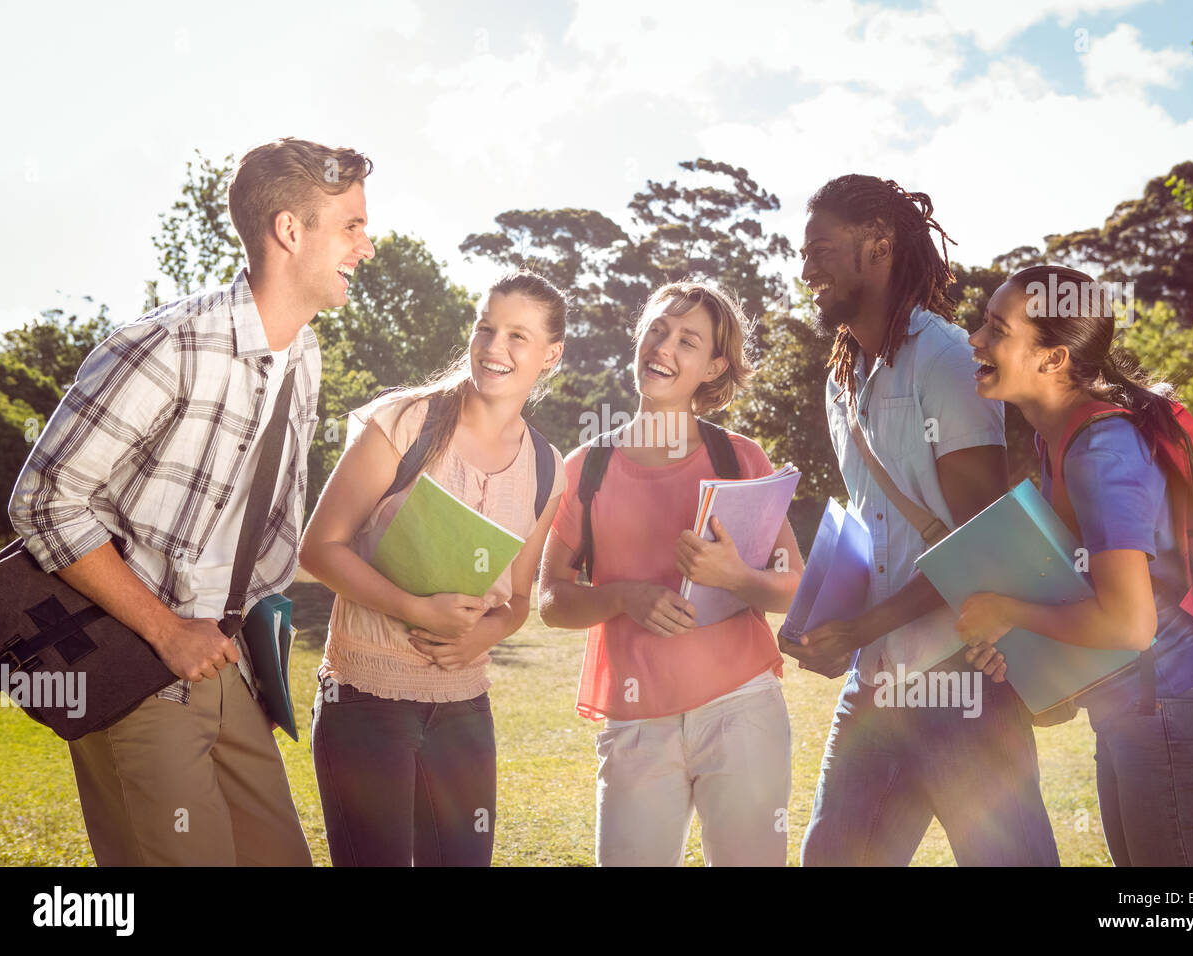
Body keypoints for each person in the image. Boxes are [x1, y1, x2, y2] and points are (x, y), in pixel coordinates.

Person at [8, 137, 375, 866]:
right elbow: (45, 501)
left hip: (226, 666)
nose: (368, 245)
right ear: (291, 231)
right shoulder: (166, 345)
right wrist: (168, 629)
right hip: (141, 665)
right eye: (353, 226)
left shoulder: (303, 358)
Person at [788, 174, 1059, 866]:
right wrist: (829, 621)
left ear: (878, 246)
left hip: (962, 682)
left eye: (821, 249)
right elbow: (874, 532)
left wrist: (859, 628)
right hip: (876, 684)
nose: (805, 268)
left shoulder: (944, 359)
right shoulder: (839, 382)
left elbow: (981, 542)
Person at [960, 265, 1193, 866]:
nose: (975, 340)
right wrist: (1013, 638)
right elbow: (1078, 595)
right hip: (1139, 713)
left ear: (1053, 358)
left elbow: (1128, 624)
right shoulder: (1059, 437)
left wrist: (1003, 610)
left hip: (1178, 711)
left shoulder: (1102, 449)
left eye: (997, 328)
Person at [299, 269, 567, 867]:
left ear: (551, 355)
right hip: (364, 699)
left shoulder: (548, 468)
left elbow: (518, 599)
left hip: (465, 710)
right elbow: (319, 549)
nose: (495, 347)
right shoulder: (403, 423)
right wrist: (417, 610)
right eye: (486, 327)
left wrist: (487, 631)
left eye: (518, 336)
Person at [538, 280, 803, 867]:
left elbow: (793, 585)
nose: (664, 346)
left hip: (742, 711)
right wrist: (623, 597)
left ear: (713, 367)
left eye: (688, 340)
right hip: (635, 722)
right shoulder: (587, 468)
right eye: (657, 329)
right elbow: (551, 600)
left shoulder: (740, 458)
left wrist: (735, 576)